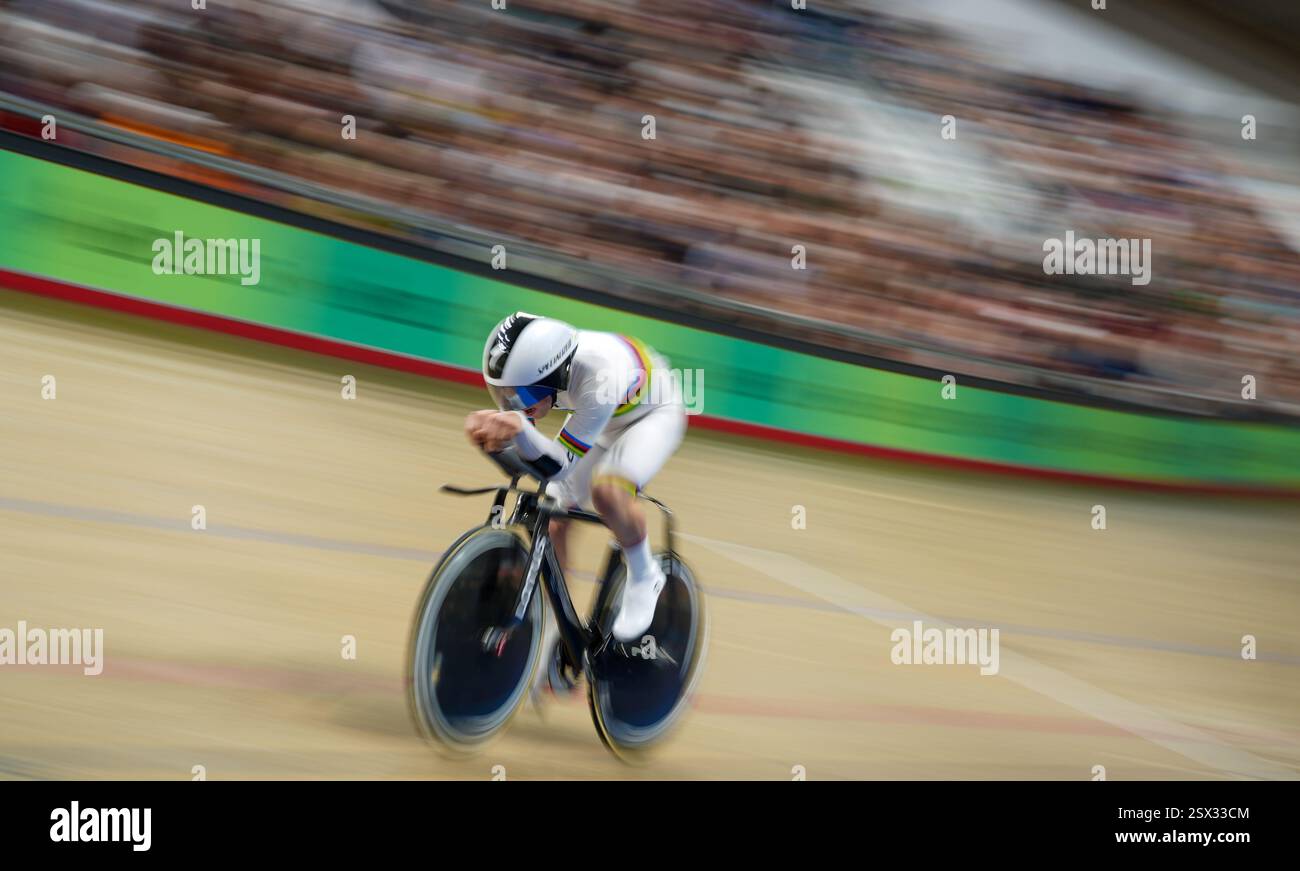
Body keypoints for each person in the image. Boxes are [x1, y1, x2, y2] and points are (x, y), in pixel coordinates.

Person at [464, 312, 686, 643]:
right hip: (603, 418)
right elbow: (539, 467)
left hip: (654, 415)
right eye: (502, 395)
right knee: (554, 515)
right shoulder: (550, 366)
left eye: (519, 396)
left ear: (551, 376)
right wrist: (495, 441)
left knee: (608, 492)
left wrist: (519, 430)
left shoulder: (598, 375)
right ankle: (559, 629)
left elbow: (558, 466)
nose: (511, 404)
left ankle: (644, 576)